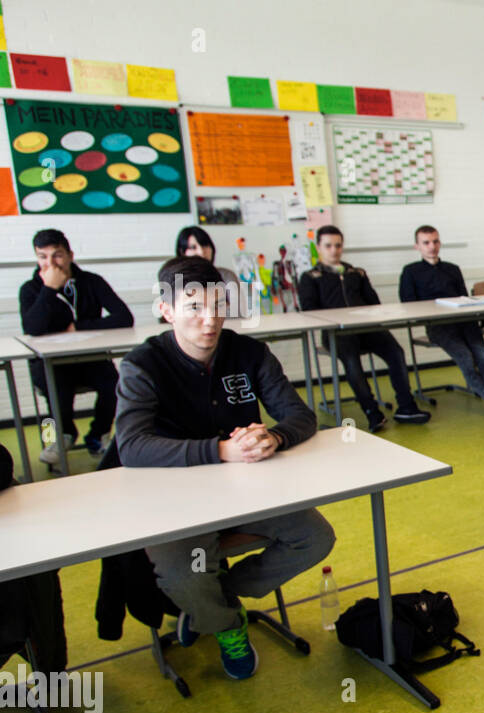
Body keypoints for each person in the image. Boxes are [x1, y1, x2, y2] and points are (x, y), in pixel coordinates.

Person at [115, 256, 336, 680]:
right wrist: (219, 451)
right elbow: (132, 446)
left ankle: (221, 600)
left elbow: (300, 416)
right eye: (193, 307)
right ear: (166, 311)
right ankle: (224, 623)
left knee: (315, 538)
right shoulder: (142, 365)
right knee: (185, 571)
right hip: (174, 498)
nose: (209, 319)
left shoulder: (248, 353)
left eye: (217, 305)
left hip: (244, 490)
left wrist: (274, 437)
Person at [298, 226, 430, 431]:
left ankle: (406, 407)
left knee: (396, 352)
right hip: (336, 333)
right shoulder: (310, 277)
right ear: (319, 247)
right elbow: (309, 310)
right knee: (352, 362)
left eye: (338, 245)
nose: (334, 250)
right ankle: (372, 412)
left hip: (366, 328)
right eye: (328, 246)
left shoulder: (356, 272)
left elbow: (373, 302)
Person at [19, 229, 134, 463]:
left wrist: (78, 326)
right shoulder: (30, 289)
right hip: (48, 363)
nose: (50, 263)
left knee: (114, 384)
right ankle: (56, 436)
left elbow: (124, 317)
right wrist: (49, 289)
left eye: (57, 255)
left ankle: (98, 434)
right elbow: (33, 327)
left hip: (88, 357)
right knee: (54, 397)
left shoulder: (91, 281)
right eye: (42, 257)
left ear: (70, 255)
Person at [398, 225, 484, 420]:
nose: (432, 246)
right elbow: (408, 304)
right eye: (426, 243)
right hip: (439, 326)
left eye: (435, 241)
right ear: (417, 246)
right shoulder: (410, 272)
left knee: (483, 357)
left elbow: (463, 296)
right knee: (466, 358)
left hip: (464, 321)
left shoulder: (452, 269)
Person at [174, 225, 242, 320]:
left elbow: (235, 312)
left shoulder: (226, 276)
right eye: (193, 247)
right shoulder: (176, 279)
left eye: (205, 245)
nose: (201, 252)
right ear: (182, 252)